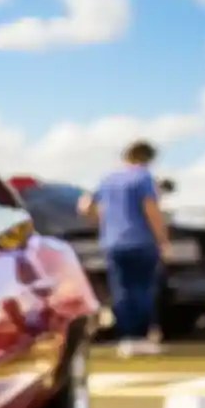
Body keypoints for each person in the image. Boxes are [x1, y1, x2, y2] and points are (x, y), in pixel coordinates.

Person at [79, 140, 172, 357]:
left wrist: (103, 222)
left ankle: (126, 338)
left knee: (122, 289)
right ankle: (141, 337)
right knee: (143, 288)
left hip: (113, 241)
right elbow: (151, 209)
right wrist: (163, 240)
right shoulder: (144, 177)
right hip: (141, 240)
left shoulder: (108, 178)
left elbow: (84, 206)